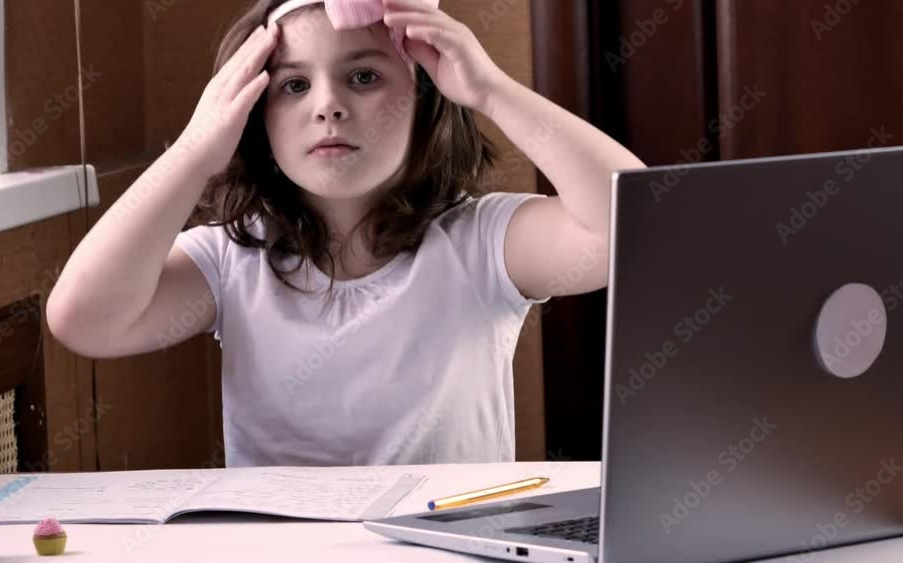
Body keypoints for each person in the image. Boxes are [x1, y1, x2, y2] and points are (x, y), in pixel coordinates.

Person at [47, 0, 646, 467]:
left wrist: (491, 89)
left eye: (363, 76)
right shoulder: (234, 259)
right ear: (256, 119)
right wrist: (193, 151)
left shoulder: (480, 244)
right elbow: (83, 318)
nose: (328, 105)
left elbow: (638, 226)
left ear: (427, 101)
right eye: (294, 85)